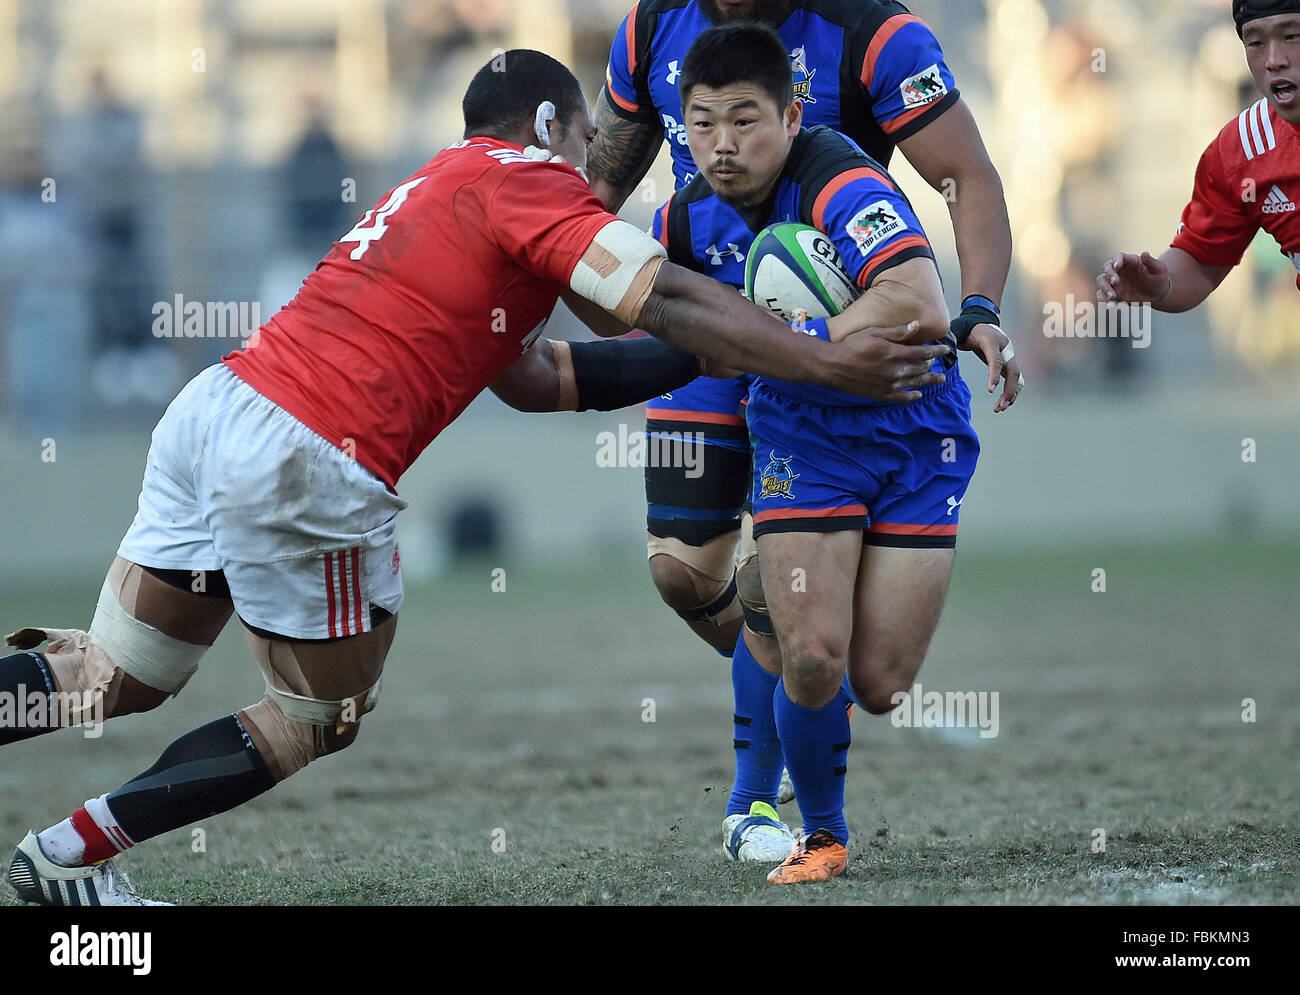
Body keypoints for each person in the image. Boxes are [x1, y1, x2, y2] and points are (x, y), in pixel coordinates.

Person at [1, 49, 948, 906]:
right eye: (584, 142)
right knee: (316, 715)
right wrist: (816, 357)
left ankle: (62, 853)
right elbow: (655, 297)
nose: (591, 171)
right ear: (546, 127)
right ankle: (66, 857)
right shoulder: (529, 183)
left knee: (112, 674)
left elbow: (541, 380)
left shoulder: (433, 189)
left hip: (219, 409)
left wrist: (723, 356)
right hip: (307, 452)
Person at [587, 0, 1013, 816]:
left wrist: (981, 307)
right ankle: (800, 671)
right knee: (683, 571)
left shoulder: (874, 33)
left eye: (743, 118)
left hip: (846, 331)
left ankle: (763, 781)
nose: (720, 137)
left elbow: (967, 175)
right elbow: (595, 191)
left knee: (844, 654)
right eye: (705, 120)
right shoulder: (651, 27)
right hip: (711, 305)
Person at [1098, 0, 1300, 307]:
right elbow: (1200, 263)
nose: (1273, 60)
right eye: (1255, 42)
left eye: (1292, 37)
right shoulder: (1244, 147)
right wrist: (1160, 285)